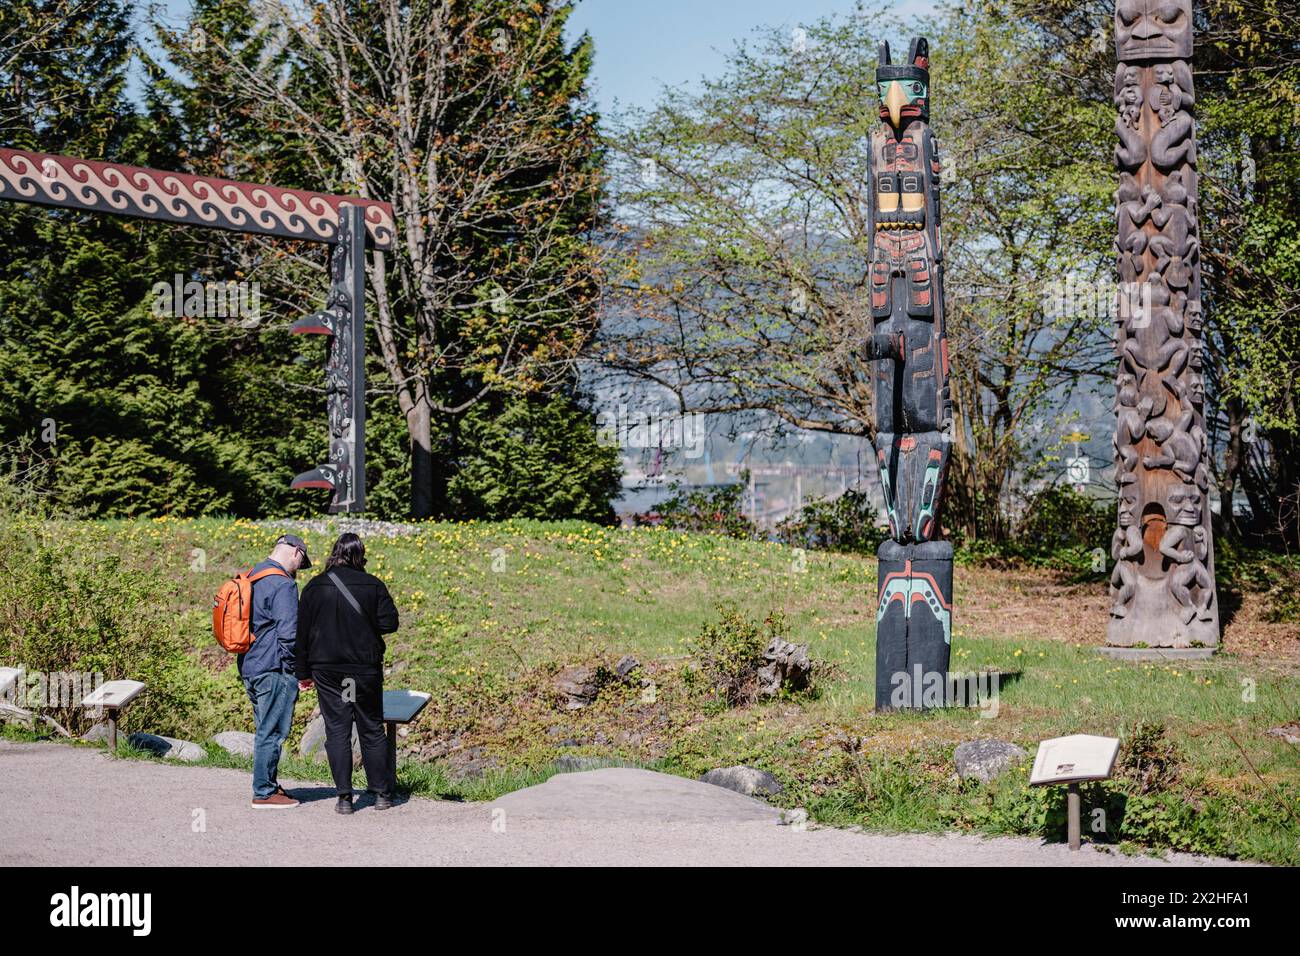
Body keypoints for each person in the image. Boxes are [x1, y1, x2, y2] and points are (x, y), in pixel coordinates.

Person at [295, 532, 399, 814]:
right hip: (363, 669)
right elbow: (390, 623)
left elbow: (301, 634)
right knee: (371, 729)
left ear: (334, 553)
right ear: (359, 555)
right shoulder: (373, 585)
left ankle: (344, 798)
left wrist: (302, 671)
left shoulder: (315, 587)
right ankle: (381, 795)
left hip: (328, 670)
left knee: (337, 730)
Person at [241, 533, 311, 809]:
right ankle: (264, 792)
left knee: (264, 727)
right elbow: (290, 636)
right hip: (275, 669)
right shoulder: (283, 585)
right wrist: (299, 670)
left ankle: (268, 782)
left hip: (250, 665)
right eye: (302, 562)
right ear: (296, 552)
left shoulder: (252, 576)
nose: (299, 569)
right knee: (272, 731)